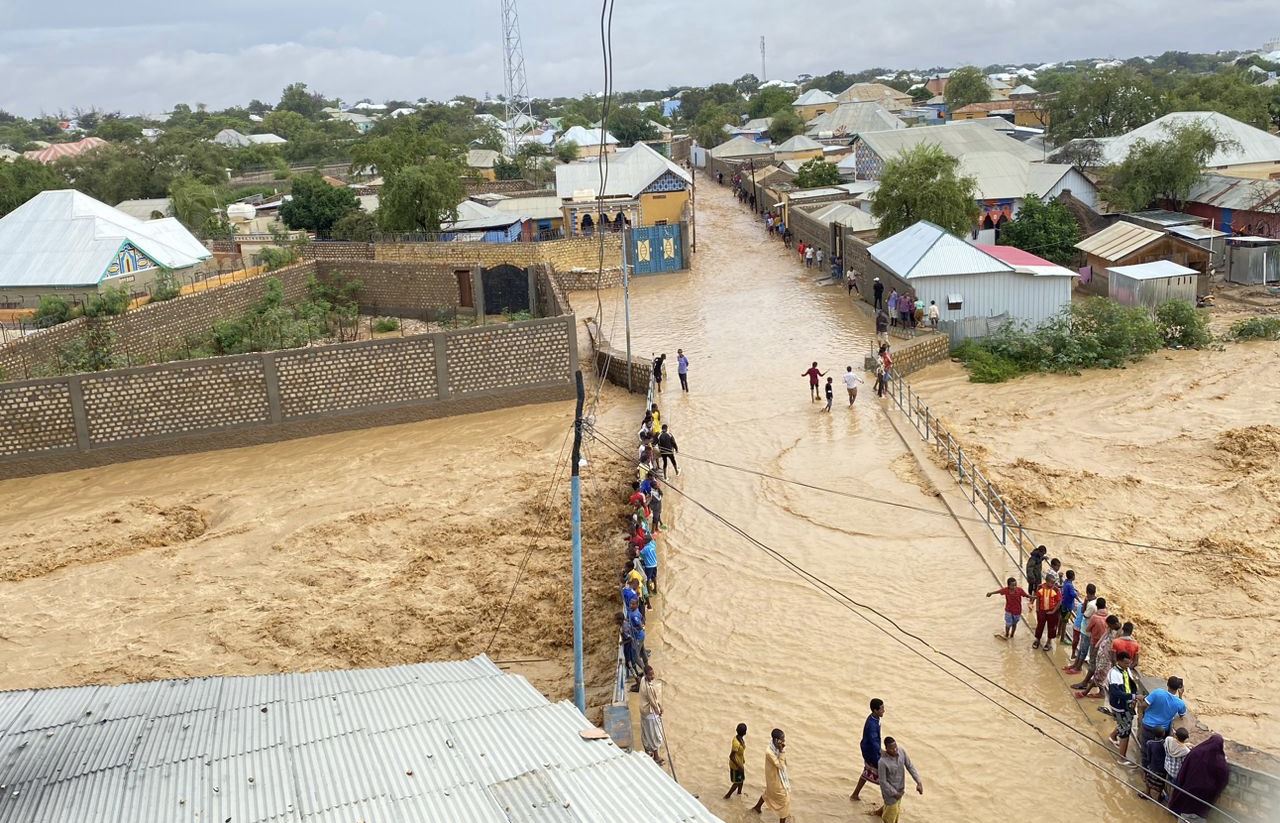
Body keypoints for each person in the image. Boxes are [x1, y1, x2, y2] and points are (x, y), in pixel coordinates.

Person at [1168, 733, 1230, 819]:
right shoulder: (1220, 762)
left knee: (1185, 807)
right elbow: (1223, 779)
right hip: (1205, 794)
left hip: (1189, 788)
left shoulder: (1196, 752)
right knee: (1199, 812)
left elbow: (1184, 768)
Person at [1140, 676, 1187, 769]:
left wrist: (1144, 714)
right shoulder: (1179, 703)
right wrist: (1180, 695)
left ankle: (1144, 769)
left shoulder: (1157, 693)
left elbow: (1144, 705)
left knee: (1145, 748)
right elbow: (1182, 714)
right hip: (1162, 730)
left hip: (1147, 725)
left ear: (1167, 684)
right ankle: (1154, 770)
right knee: (1159, 752)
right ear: (1179, 688)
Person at [877, 737, 923, 823]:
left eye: (896, 747)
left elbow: (910, 766)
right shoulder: (882, 762)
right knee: (889, 818)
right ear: (886, 749)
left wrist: (918, 782)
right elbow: (883, 782)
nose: (895, 750)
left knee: (895, 815)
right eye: (892, 749)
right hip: (890, 795)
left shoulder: (901, 752)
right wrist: (894, 793)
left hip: (900, 791)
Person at [850, 698, 885, 806]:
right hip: (871, 753)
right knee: (885, 776)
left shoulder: (874, 718)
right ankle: (887, 802)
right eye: (882, 709)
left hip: (869, 750)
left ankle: (855, 794)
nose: (884, 711)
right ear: (875, 710)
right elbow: (873, 741)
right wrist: (882, 751)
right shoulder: (871, 724)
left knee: (867, 771)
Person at [751, 728, 791, 822]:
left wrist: (780, 749)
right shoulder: (770, 752)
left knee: (768, 793)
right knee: (785, 802)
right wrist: (782, 751)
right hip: (775, 779)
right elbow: (781, 766)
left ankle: (757, 808)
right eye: (782, 739)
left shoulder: (773, 746)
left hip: (772, 777)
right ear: (776, 740)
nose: (784, 741)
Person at [1107, 650, 1139, 764]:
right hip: (1120, 705)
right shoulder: (1113, 674)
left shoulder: (1126, 670)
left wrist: (1133, 698)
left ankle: (1113, 736)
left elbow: (1130, 684)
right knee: (1126, 731)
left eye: (1129, 663)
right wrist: (1134, 696)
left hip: (1128, 703)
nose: (1128, 665)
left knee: (1124, 722)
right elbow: (1117, 693)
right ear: (1118, 661)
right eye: (1126, 663)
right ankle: (1121, 757)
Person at [638, 665, 665, 765]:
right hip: (649, 713)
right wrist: (659, 711)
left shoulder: (642, 680)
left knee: (646, 732)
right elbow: (653, 702)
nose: (652, 677)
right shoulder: (649, 687)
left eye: (653, 674)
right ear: (646, 675)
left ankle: (647, 752)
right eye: (650, 675)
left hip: (643, 711)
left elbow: (653, 698)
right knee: (655, 734)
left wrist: (659, 706)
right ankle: (656, 757)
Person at [1032, 571, 1062, 651]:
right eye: (1051, 583)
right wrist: (1037, 609)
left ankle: (1048, 642)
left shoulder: (1056, 590)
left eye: (1054, 583)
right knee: (1040, 625)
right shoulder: (1040, 587)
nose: (1053, 585)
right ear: (1047, 581)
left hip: (1052, 611)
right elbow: (1037, 598)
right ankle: (1037, 639)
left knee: (1051, 627)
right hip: (1041, 610)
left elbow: (1059, 601)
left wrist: (1053, 611)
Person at [1142, 725, 1169, 799]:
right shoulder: (1165, 744)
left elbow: (1148, 756)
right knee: (1161, 782)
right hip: (1162, 767)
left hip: (1153, 765)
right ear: (1163, 734)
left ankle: (1147, 793)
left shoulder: (1150, 743)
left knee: (1149, 779)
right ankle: (1158, 797)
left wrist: (1149, 764)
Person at [725, 723, 748, 799]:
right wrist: (738, 766)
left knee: (741, 780)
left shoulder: (739, 739)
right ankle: (727, 796)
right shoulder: (736, 743)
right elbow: (731, 756)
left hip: (740, 763)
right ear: (745, 732)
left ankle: (739, 793)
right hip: (736, 766)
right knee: (737, 782)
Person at [1057, 570, 1078, 644]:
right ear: (1073, 577)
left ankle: (1058, 633)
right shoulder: (1070, 585)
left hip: (1063, 603)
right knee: (1065, 622)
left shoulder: (1065, 582)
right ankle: (1062, 638)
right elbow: (1073, 594)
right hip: (1068, 606)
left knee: (1061, 618)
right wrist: (1076, 593)